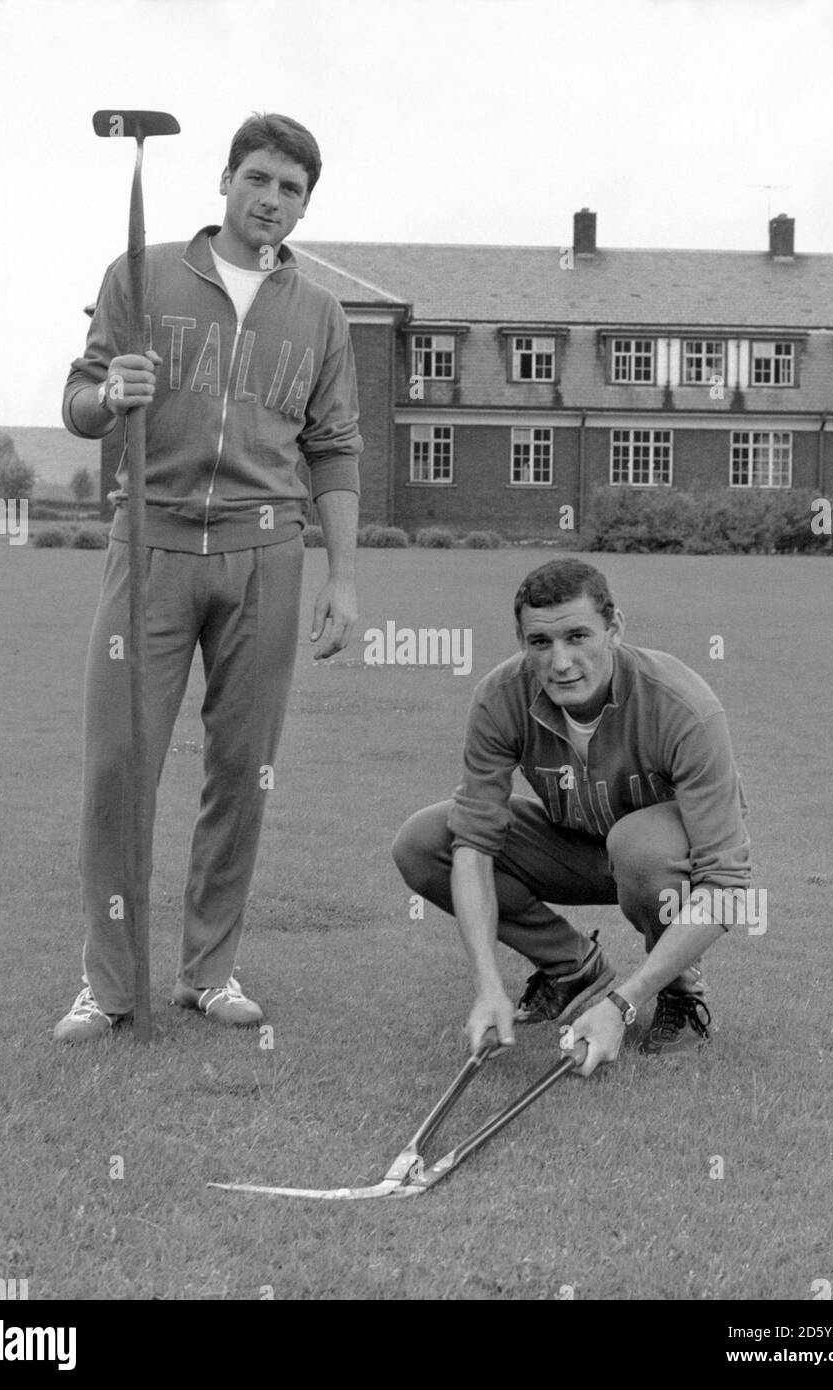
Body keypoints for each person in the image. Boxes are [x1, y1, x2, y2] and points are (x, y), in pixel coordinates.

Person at [54, 113, 361, 1042]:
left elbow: (336, 447)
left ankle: (209, 970)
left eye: (292, 190)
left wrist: (342, 579)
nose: (272, 200)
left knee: (244, 769)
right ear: (226, 180)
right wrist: (112, 397)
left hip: (266, 552)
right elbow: (75, 400)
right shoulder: (140, 276)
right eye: (259, 179)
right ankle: (107, 985)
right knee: (120, 766)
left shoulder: (321, 313)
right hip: (148, 543)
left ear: (305, 204)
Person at [392, 558, 751, 1075]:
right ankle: (570, 966)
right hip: (579, 845)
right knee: (426, 841)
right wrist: (488, 985)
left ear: (615, 628)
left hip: (667, 864)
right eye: (540, 642)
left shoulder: (684, 706)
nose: (561, 662)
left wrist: (623, 1006)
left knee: (640, 847)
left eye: (578, 636)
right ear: (521, 641)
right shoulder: (500, 698)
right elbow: (473, 845)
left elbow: (726, 882)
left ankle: (676, 990)